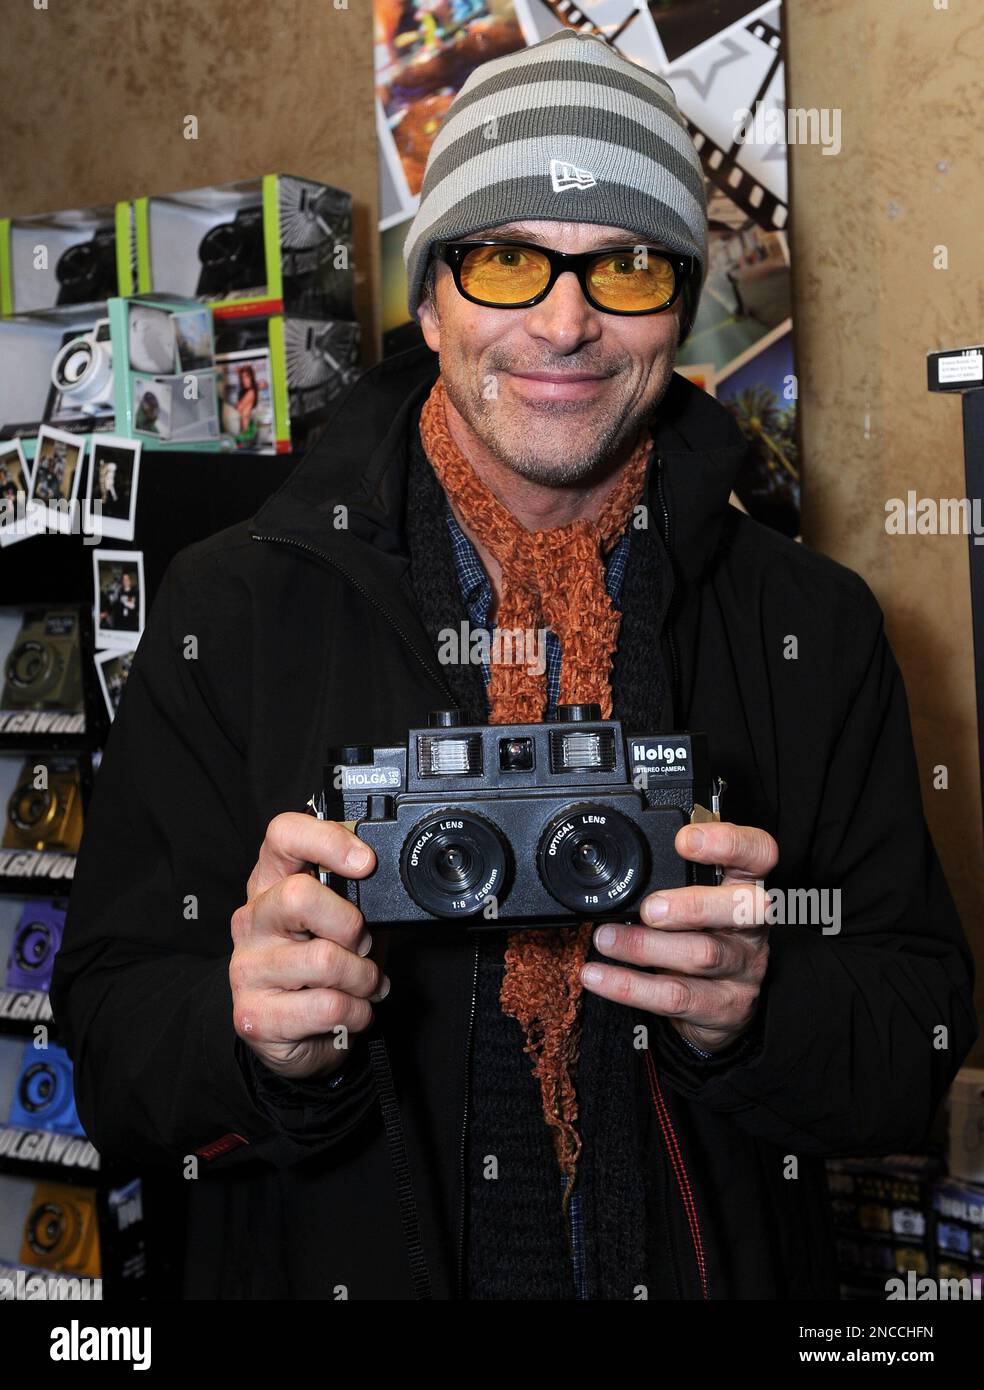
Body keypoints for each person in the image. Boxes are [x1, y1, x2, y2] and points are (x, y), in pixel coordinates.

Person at [53, 31, 975, 1301]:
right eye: (505, 259)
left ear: (683, 303)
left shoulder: (809, 627)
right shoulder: (238, 610)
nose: (564, 321)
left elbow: (919, 1031)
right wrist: (250, 1032)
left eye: (627, 268)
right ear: (430, 302)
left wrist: (759, 1010)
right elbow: (105, 1047)